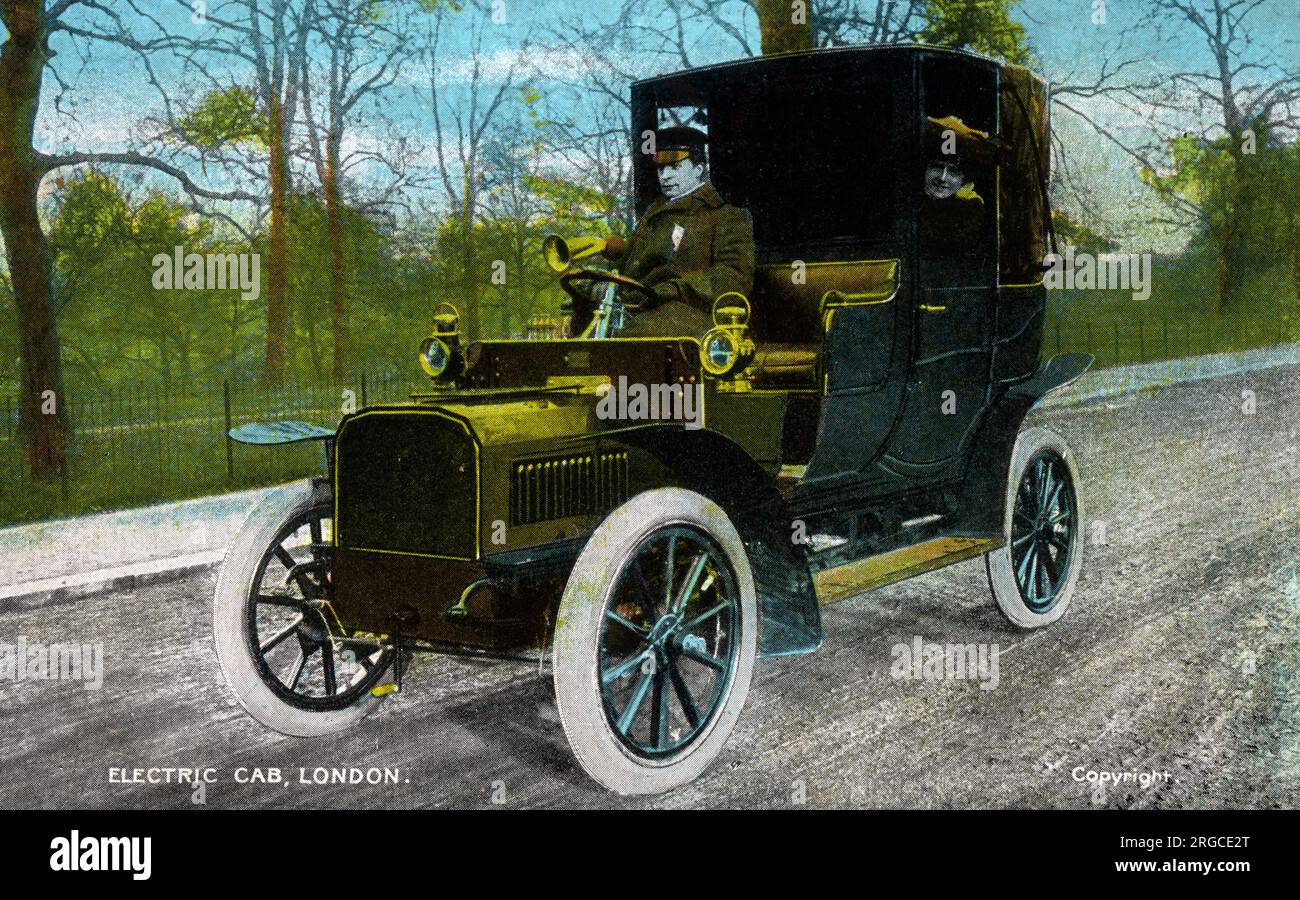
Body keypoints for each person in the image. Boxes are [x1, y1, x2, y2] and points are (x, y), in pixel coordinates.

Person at [581, 126, 754, 338]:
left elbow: (733, 279)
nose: (665, 176)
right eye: (661, 169)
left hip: (686, 318)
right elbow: (633, 266)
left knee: (625, 339)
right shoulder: (654, 213)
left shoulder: (726, 217)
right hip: (638, 312)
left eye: (674, 167)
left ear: (699, 168)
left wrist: (671, 290)